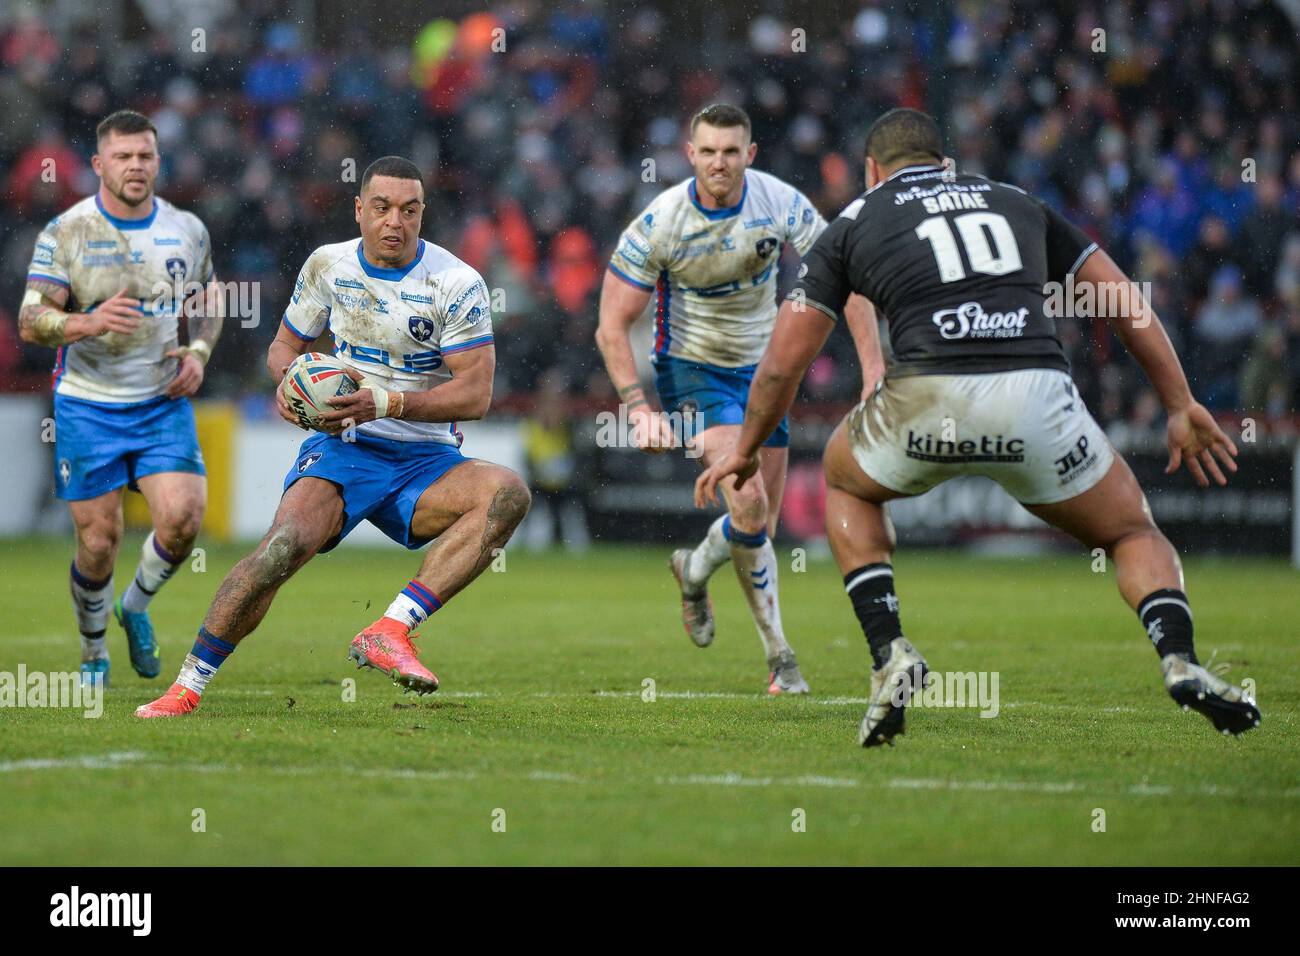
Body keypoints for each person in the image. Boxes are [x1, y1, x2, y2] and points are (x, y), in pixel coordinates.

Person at [697, 108, 1261, 744]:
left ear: (871, 170)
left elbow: (780, 366)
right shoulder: (1015, 199)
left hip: (926, 396)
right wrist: (1180, 402)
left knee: (846, 479)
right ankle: (1178, 656)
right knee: (1133, 532)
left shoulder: (855, 219)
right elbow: (1121, 298)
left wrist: (745, 451)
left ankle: (890, 655)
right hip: (1036, 394)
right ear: (945, 165)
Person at [136, 156, 530, 718]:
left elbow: (476, 395)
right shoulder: (329, 265)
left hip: (426, 459)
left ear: (423, 215)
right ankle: (186, 687)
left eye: (410, 210)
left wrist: (387, 403)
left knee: (508, 494)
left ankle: (391, 628)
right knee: (279, 551)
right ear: (359, 209)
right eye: (382, 208)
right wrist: (288, 383)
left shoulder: (457, 283)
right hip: (344, 446)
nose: (395, 221)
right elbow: (282, 348)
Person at [596, 103, 877, 695]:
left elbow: (845, 279)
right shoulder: (662, 221)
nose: (719, 162)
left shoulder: (779, 202)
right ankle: (782, 660)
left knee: (759, 527)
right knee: (747, 507)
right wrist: (638, 410)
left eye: (731, 152)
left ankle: (693, 568)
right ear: (690, 154)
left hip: (766, 375)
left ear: (749, 155)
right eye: (708, 151)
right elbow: (610, 324)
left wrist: (874, 372)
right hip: (691, 374)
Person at [18, 109, 222, 688]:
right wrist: (86, 323)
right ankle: (91, 655)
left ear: (158, 161)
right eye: (124, 156)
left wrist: (198, 355)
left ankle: (133, 607)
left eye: (146, 156)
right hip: (86, 405)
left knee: (183, 521)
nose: (136, 166)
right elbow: (31, 320)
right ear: (99, 165)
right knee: (100, 542)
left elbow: (209, 302)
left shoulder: (186, 228)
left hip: (160, 401)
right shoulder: (68, 232)